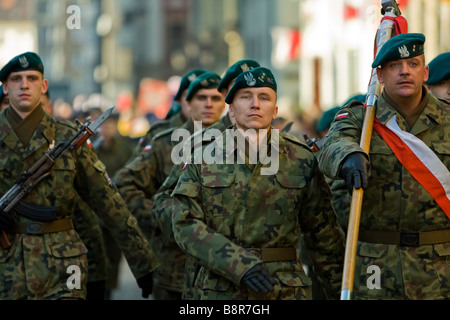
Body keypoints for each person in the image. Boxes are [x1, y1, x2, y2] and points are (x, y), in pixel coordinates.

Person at [171, 67, 345, 300]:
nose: (255, 104)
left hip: (284, 289)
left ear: (274, 110)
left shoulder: (300, 159)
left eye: (264, 97)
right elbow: (184, 224)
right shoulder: (202, 157)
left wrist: (340, 292)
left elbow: (323, 236)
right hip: (222, 288)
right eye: (246, 97)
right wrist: (239, 264)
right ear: (231, 109)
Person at [0, 52, 158, 300]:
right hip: (6, 267)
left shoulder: (68, 137)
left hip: (63, 267)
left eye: (32, 78)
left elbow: (108, 202)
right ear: (5, 87)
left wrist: (143, 262)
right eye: (16, 78)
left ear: (44, 86)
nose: (24, 85)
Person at [317, 33, 450, 300]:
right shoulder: (361, 118)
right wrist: (348, 155)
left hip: (439, 263)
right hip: (376, 262)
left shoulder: (447, 119)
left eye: (412, 64)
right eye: (394, 66)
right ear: (379, 75)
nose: (404, 72)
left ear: (425, 72)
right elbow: (332, 143)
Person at [151, 59, 261, 300]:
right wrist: (195, 232)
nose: (252, 101)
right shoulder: (199, 144)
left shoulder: (285, 148)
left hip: (271, 282)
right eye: (241, 91)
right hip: (211, 280)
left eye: (258, 93)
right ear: (227, 97)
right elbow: (162, 203)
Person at [114, 71, 226, 300]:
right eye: (200, 97)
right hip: (176, 267)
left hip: (224, 268)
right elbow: (125, 185)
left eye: (216, 98)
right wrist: (164, 220)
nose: (209, 104)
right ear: (186, 102)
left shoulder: (238, 142)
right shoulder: (165, 141)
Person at [129, 69, 207, 159]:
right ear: (179, 100)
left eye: (201, 96)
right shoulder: (159, 134)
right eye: (188, 96)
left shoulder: (222, 132)